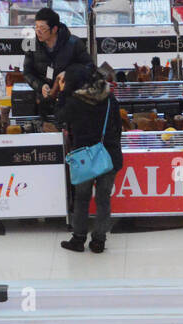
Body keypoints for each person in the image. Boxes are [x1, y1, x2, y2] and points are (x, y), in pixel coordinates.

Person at [55, 63, 121, 254]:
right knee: (103, 199)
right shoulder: (109, 98)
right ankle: (99, 240)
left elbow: (59, 118)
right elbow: (118, 126)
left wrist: (61, 93)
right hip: (108, 154)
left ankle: (78, 238)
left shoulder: (75, 101)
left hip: (84, 157)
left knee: (82, 198)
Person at [23, 8, 92, 114]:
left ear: (54, 29)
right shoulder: (31, 44)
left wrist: (70, 74)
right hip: (43, 101)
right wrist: (40, 86)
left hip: (70, 101)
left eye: (42, 28)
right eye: (36, 27)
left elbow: (89, 66)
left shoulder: (74, 43)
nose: (38, 31)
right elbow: (27, 72)